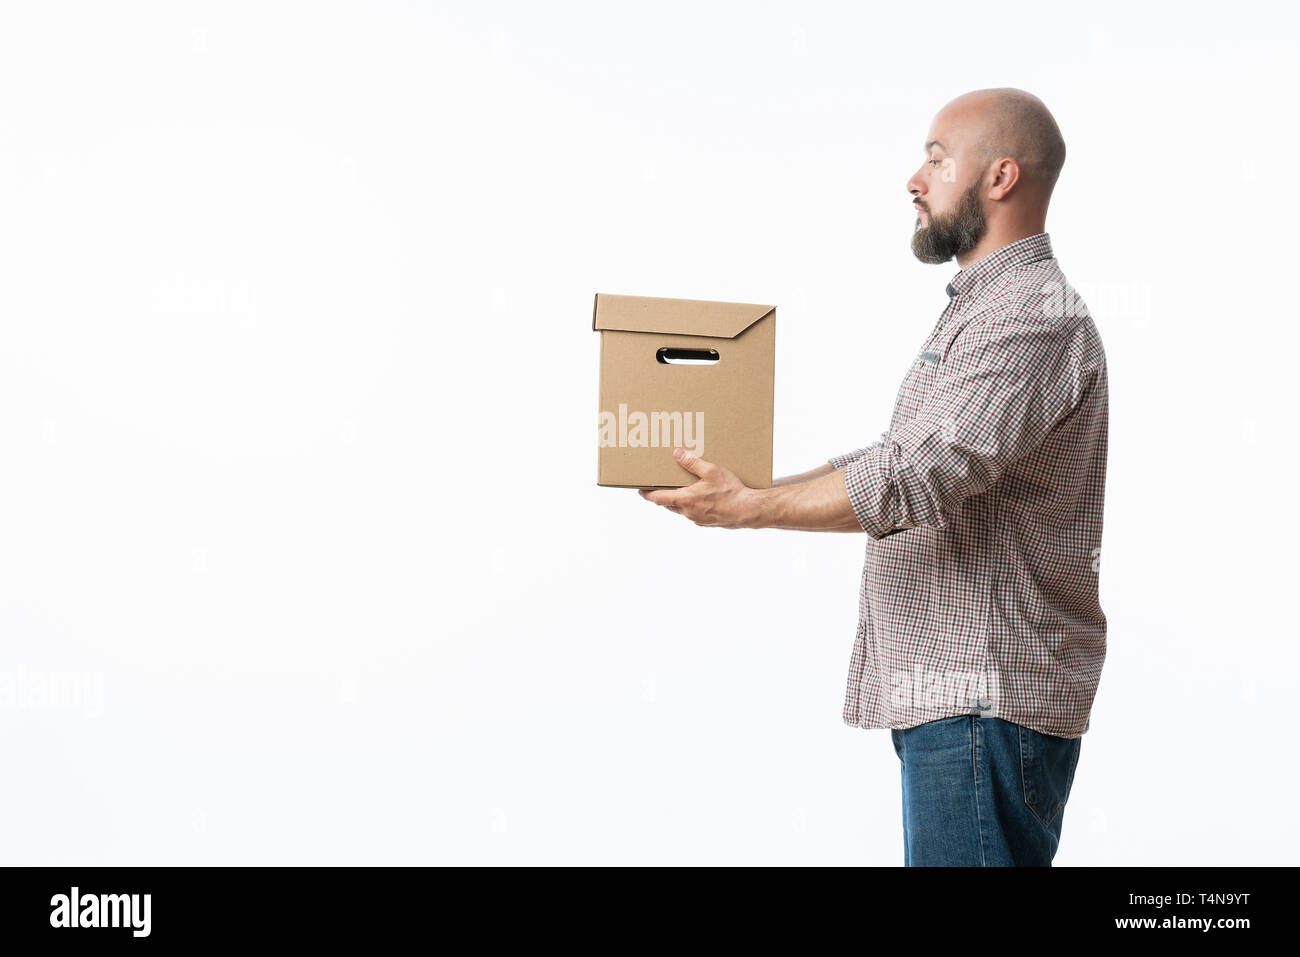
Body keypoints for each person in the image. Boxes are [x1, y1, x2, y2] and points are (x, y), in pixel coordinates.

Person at [638, 88, 1107, 866]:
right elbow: (899, 452)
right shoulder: (986, 309)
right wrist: (746, 485)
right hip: (958, 698)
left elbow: (917, 474)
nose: (915, 179)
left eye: (935, 157)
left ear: (999, 177)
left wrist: (749, 508)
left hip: (980, 700)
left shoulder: (1028, 314)